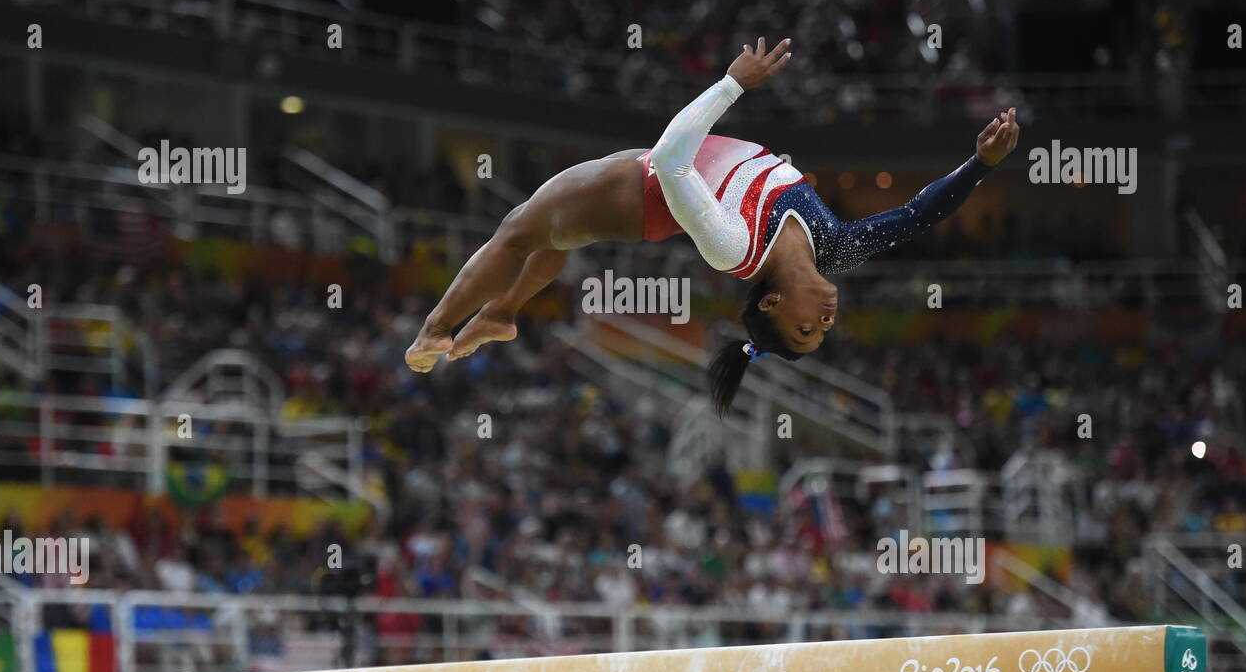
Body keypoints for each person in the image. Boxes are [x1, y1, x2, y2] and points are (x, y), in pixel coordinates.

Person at [405, 37, 1020, 414]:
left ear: (773, 303)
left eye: (805, 327)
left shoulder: (735, 247)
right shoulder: (837, 245)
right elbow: (918, 214)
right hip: (642, 200)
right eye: (823, 330)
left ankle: (433, 330)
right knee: (548, 239)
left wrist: (733, 84)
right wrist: (979, 165)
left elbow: (672, 156)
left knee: (517, 230)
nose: (826, 320)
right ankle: (502, 312)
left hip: (638, 188)